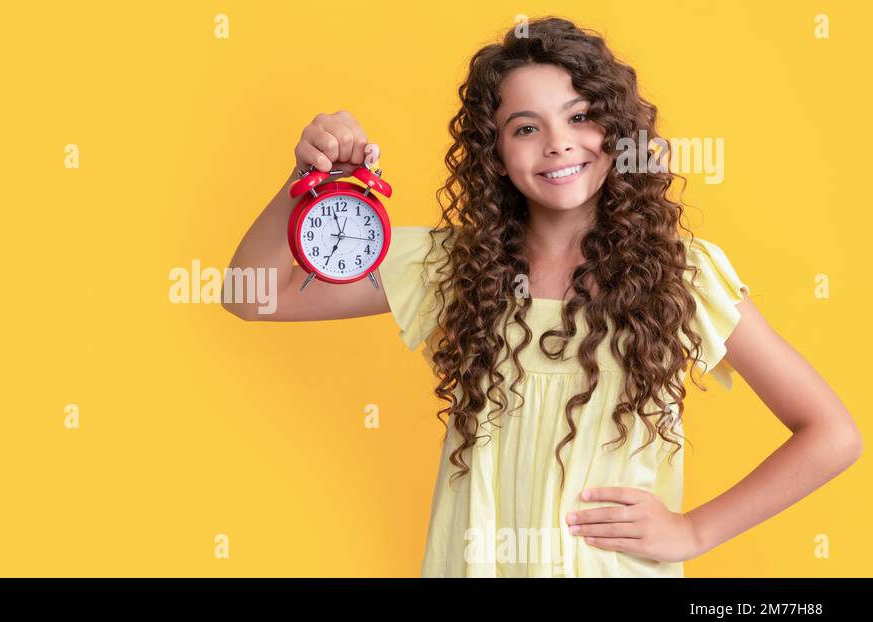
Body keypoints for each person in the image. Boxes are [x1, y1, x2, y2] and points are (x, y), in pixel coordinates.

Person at [222, 16, 861, 577]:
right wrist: (309, 180)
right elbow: (252, 295)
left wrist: (694, 531)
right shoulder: (451, 267)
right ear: (495, 154)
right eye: (526, 127)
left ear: (615, 131)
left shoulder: (681, 276)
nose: (558, 142)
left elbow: (832, 435)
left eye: (580, 116)